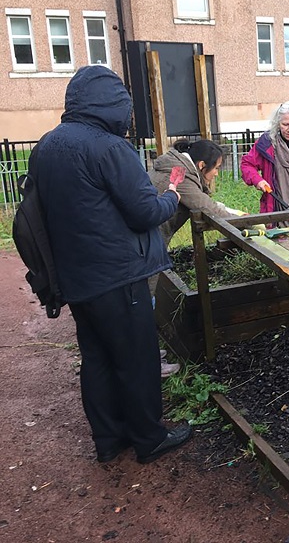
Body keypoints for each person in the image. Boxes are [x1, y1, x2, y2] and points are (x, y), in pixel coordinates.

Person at [34, 65, 192, 464]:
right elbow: (143, 212)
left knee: (98, 359)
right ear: (112, 105)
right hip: (118, 275)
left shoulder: (47, 146)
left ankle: (108, 440)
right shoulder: (108, 147)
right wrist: (172, 196)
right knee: (137, 359)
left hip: (76, 277)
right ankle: (149, 437)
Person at [147, 138, 244, 377]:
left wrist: (230, 210)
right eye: (217, 168)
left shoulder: (178, 167)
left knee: (144, 297)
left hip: (147, 242)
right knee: (144, 298)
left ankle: (146, 349)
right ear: (202, 165)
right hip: (145, 246)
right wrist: (242, 220)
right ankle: (146, 361)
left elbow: (205, 201)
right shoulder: (179, 175)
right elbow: (207, 208)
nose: (217, 174)